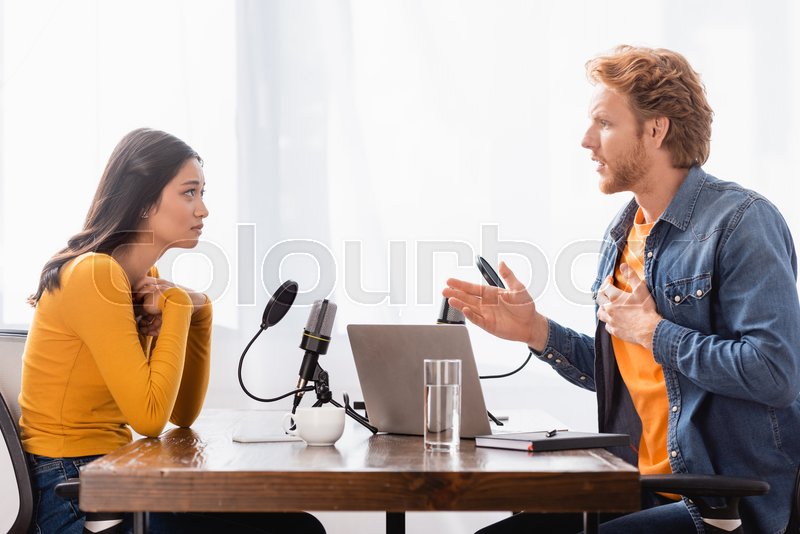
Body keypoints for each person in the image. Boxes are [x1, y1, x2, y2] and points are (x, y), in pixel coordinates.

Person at [444, 45, 800, 533]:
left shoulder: (741, 221)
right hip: (637, 489)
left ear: (656, 129)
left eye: (604, 124)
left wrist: (655, 331)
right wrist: (536, 331)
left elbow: (774, 373)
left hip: (719, 508)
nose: (586, 140)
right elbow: (626, 375)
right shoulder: (622, 233)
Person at [19, 128, 325, 534]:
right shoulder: (95, 274)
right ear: (145, 201)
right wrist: (182, 306)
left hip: (115, 476)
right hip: (74, 495)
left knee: (298, 528)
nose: (203, 210)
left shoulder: (145, 278)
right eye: (189, 192)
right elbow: (148, 418)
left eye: (202, 193)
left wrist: (201, 312)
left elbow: (182, 414)